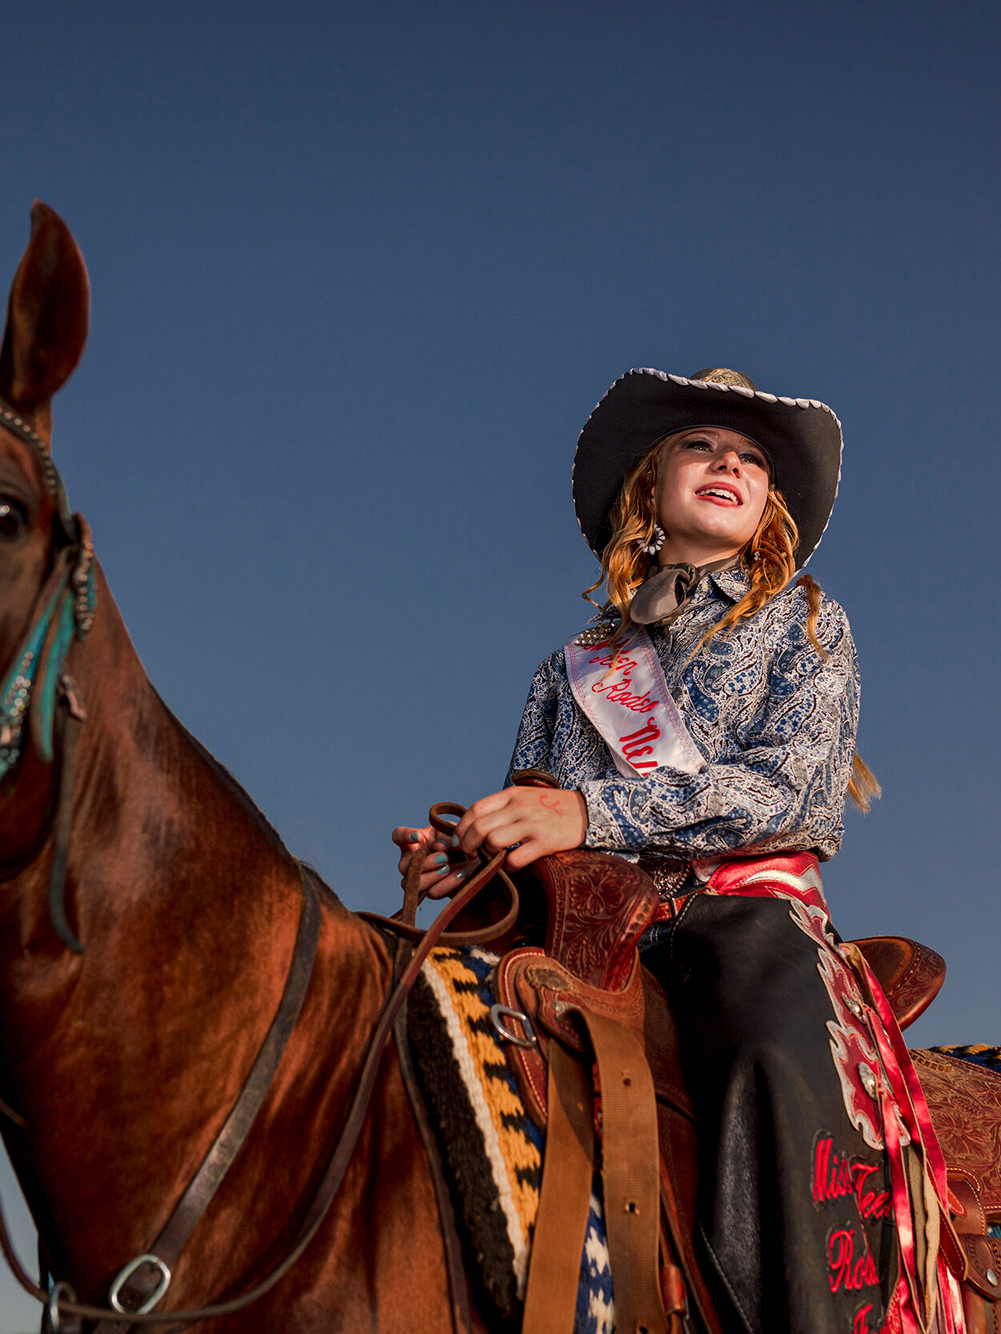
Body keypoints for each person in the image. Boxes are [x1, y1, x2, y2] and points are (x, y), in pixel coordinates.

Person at [395, 368, 952, 1334]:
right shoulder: (569, 669)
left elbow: (789, 792)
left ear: (767, 503)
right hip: (586, 929)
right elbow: (542, 808)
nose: (729, 462)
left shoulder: (805, 621)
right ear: (650, 489)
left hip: (742, 913)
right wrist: (474, 853)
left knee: (770, 1057)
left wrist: (589, 816)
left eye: (750, 457)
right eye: (703, 445)